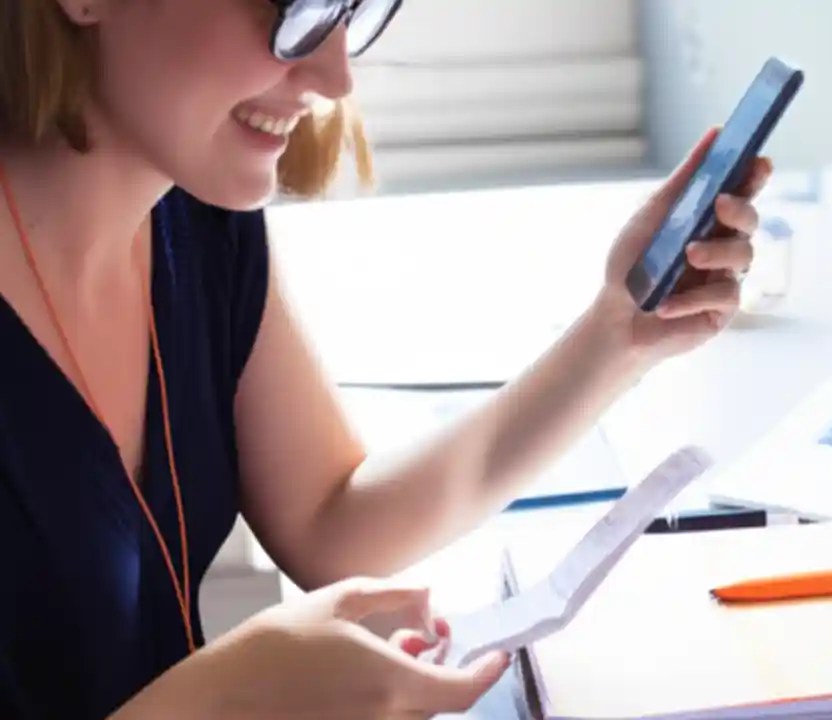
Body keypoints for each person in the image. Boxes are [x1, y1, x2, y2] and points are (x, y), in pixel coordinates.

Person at [0, 0, 770, 718]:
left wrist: (614, 337)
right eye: (293, 11)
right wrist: (243, 686)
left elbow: (334, 519)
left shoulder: (196, 223)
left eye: (352, 9)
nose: (337, 76)